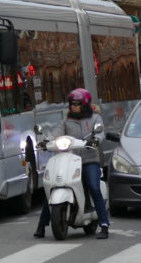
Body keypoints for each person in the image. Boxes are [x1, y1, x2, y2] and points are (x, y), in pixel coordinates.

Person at [34, 88, 110, 239]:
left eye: (77, 104)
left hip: (89, 161)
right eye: (71, 104)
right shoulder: (66, 121)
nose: (73, 106)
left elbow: (100, 134)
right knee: (51, 187)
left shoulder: (95, 119)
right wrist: (46, 141)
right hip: (69, 161)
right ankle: (42, 225)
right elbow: (56, 133)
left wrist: (96, 139)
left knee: (94, 187)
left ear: (85, 104)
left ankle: (104, 224)